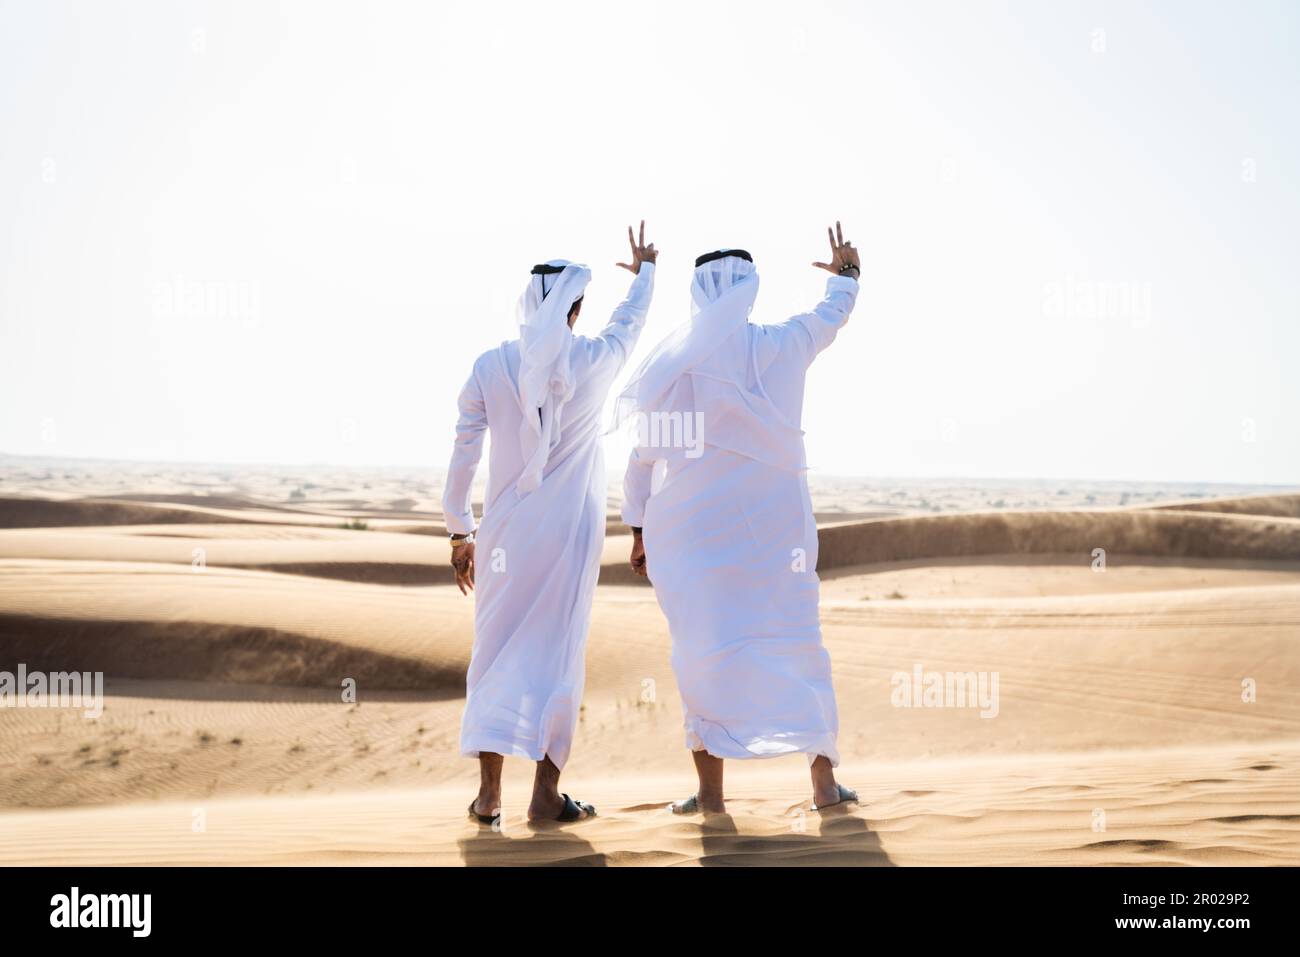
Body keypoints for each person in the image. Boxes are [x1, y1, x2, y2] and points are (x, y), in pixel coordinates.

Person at [615, 223, 860, 814]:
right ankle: (824, 789)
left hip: (691, 542)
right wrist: (848, 275)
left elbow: (642, 459)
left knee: (703, 652)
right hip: (778, 537)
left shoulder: (674, 370)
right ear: (750, 289)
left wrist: (639, 529)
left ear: (697, 295)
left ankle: (710, 796)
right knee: (797, 642)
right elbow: (831, 315)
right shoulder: (784, 344)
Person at [444, 222, 657, 824]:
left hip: (506, 534)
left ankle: (489, 796)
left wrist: (460, 530)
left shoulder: (491, 365)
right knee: (559, 653)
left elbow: (464, 447)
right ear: (575, 307)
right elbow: (630, 324)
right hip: (569, 533)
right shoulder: (594, 358)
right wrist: (645, 273)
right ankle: (545, 795)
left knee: (494, 652)